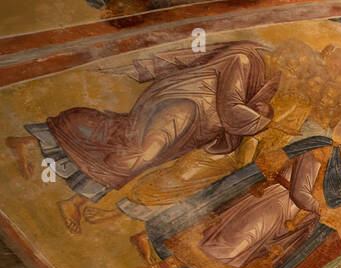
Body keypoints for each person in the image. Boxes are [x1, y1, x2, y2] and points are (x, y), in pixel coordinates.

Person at [10, 42, 280, 234]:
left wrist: (257, 115)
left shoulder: (267, 83)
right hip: (184, 105)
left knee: (122, 140)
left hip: (195, 128)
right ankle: (67, 184)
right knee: (137, 154)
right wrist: (260, 120)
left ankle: (37, 149)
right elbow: (230, 108)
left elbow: (235, 119)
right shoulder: (245, 59)